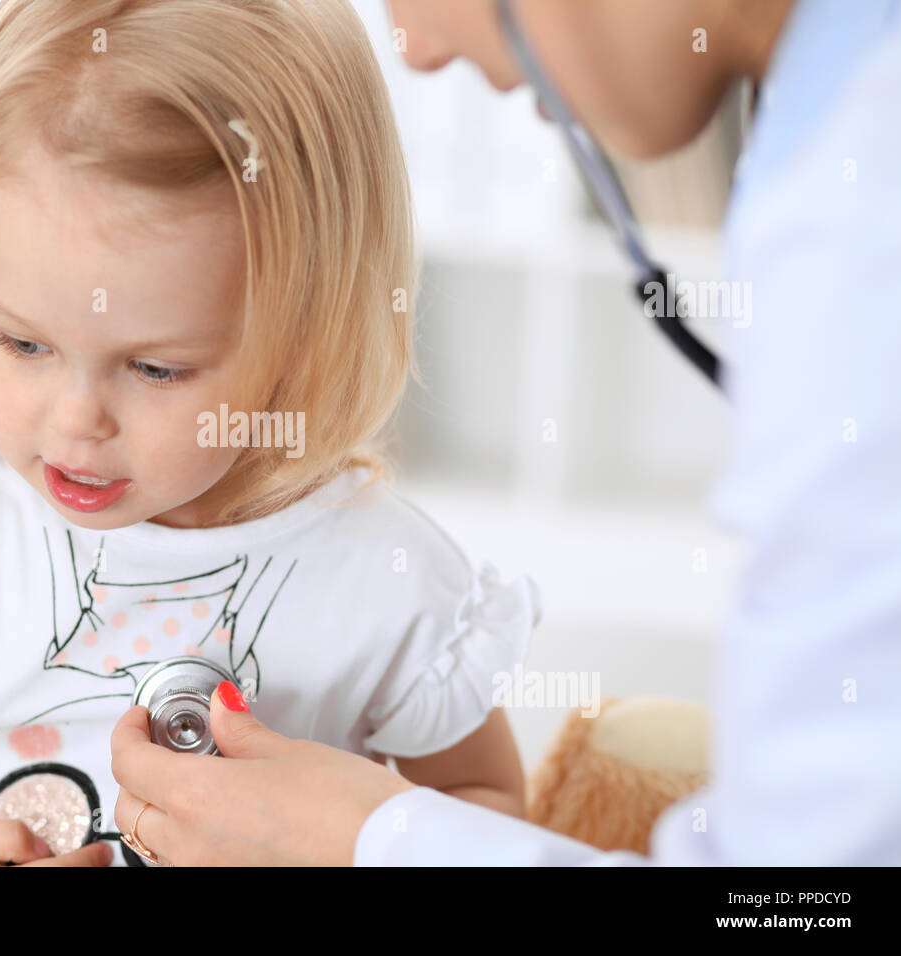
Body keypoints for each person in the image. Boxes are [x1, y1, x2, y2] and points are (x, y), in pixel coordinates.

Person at [0, 0, 543, 867]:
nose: (74, 420)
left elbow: (482, 802)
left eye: (156, 369)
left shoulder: (387, 585)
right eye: (23, 343)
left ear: (309, 329)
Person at [110, 0, 901, 865]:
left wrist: (366, 843)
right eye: (20, 341)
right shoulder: (833, 150)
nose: (414, 50)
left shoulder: (860, 215)